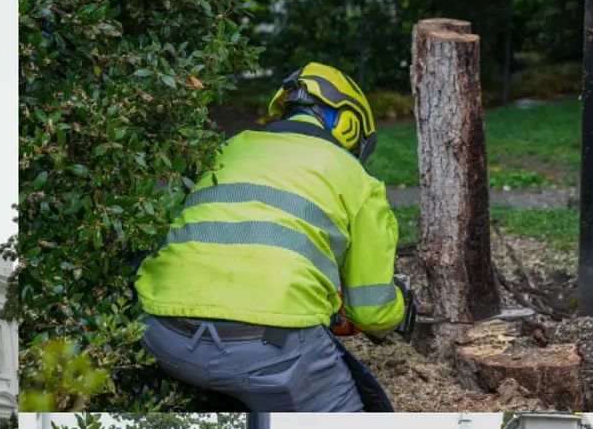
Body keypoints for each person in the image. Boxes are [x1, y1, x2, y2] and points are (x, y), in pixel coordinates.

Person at [134, 62, 413, 411]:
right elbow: (373, 312)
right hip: (270, 352)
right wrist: (401, 308)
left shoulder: (228, 148)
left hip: (162, 335)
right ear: (348, 124)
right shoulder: (357, 179)